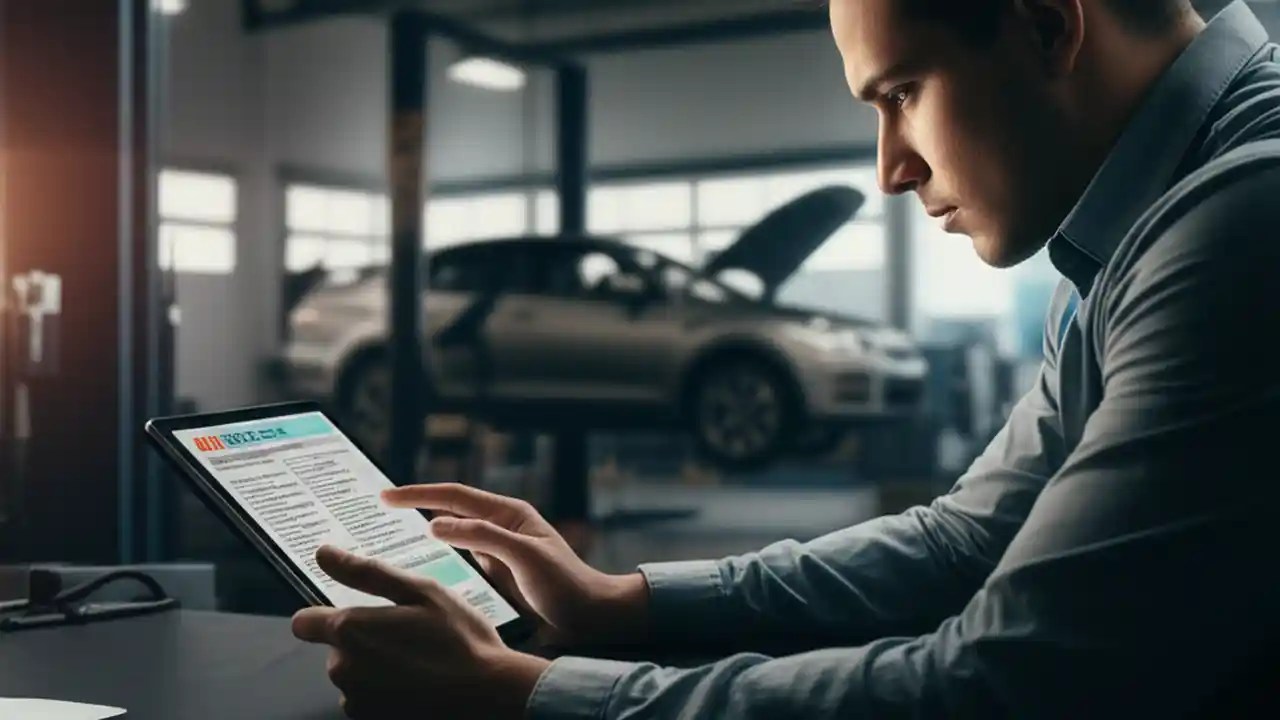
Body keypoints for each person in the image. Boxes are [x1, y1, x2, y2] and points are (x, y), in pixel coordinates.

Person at [291, 0, 1280, 717]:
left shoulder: (1243, 224)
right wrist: (620, 604)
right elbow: (962, 544)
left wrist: (524, 693)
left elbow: (1007, 688)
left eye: (899, 92)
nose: (889, 169)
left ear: (1043, 25)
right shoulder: (1135, 222)